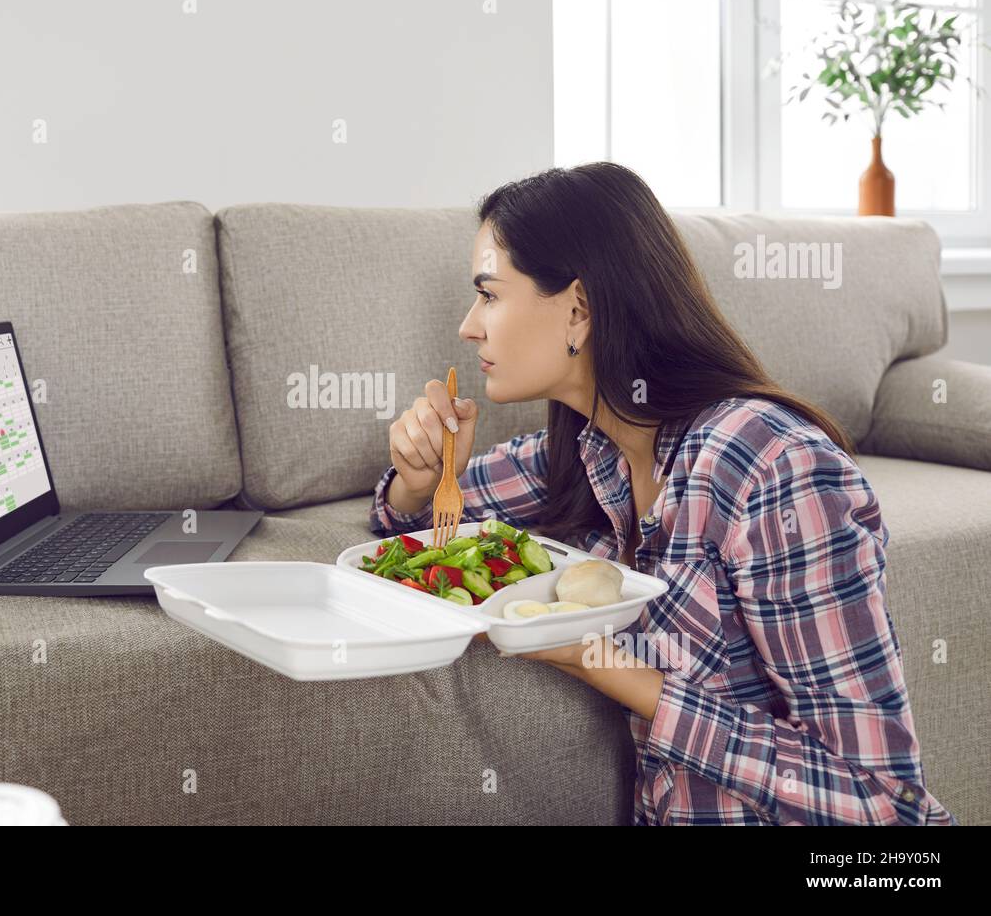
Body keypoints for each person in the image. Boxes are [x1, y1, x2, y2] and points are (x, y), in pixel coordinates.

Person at [369, 162, 954, 826]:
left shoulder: (768, 466)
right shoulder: (586, 451)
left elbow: (887, 807)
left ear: (579, 310)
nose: (468, 326)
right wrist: (418, 480)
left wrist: (603, 665)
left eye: (490, 295)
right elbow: (410, 540)